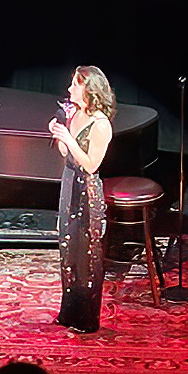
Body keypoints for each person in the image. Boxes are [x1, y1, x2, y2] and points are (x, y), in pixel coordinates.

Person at [48, 65, 115, 333]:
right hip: (69, 185)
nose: (69, 89)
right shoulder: (74, 114)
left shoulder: (101, 125)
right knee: (68, 249)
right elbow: (67, 153)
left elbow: (90, 165)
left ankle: (86, 318)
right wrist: (59, 133)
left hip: (86, 192)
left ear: (89, 89)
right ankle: (69, 312)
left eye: (74, 84)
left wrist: (69, 139)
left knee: (86, 255)